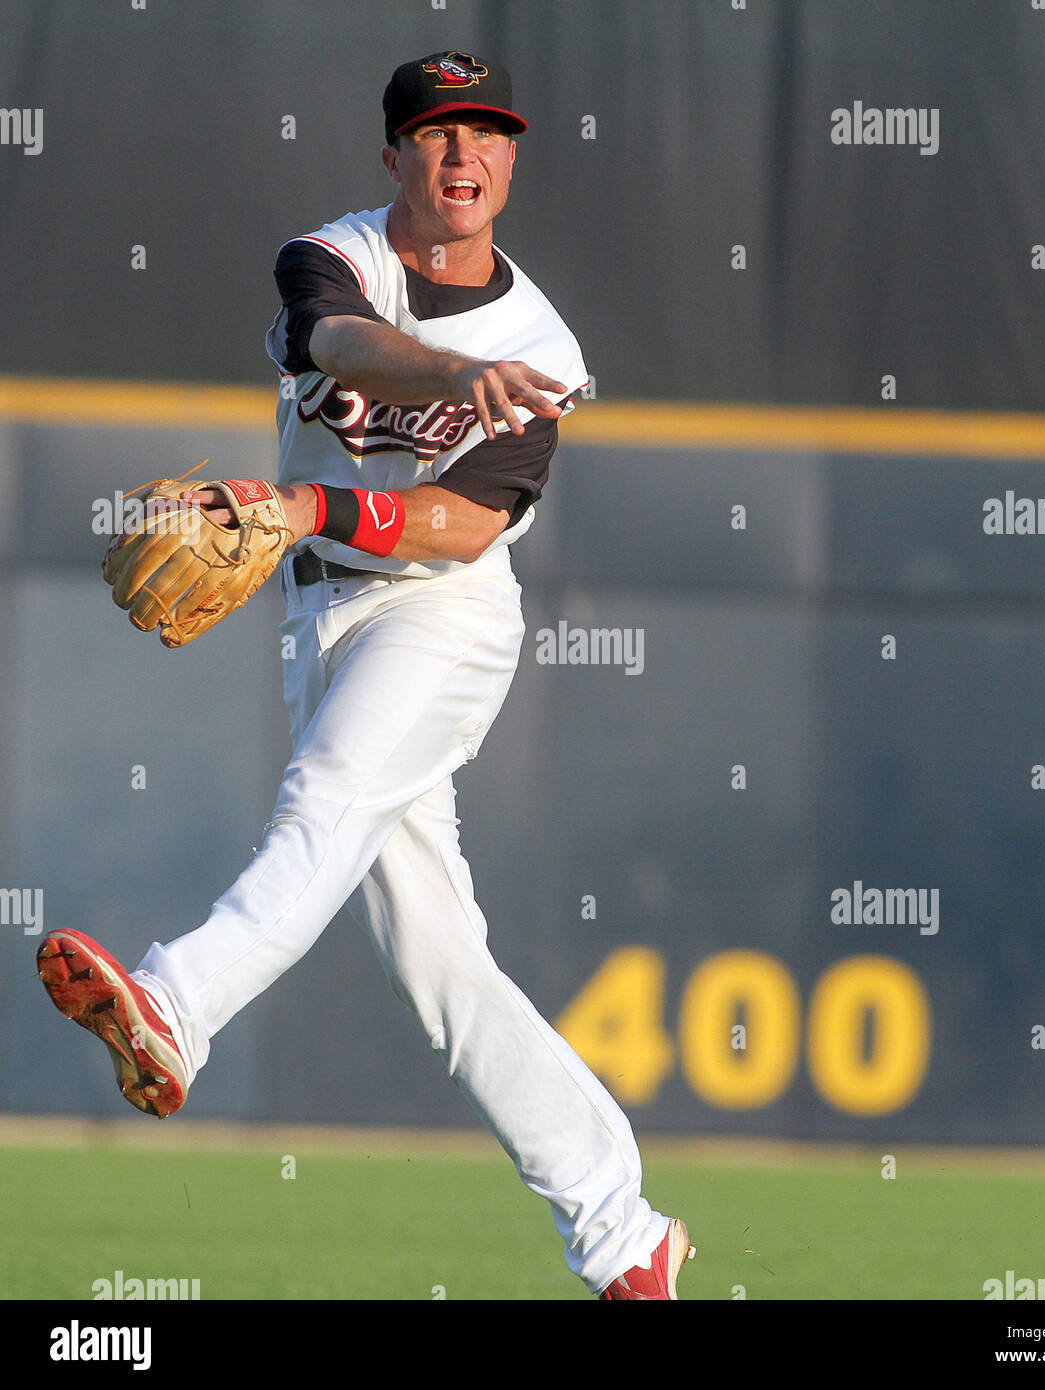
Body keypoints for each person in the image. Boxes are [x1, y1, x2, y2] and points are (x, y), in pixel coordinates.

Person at [37, 49, 693, 1301]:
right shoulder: (330, 256)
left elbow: (464, 526)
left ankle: (177, 1003)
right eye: (437, 135)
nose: (464, 158)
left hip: (442, 616)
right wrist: (447, 381)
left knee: (324, 805)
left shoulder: (542, 344)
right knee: (443, 970)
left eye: (486, 135)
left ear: (512, 157)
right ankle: (625, 1233)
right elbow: (337, 339)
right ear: (392, 153)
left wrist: (301, 498)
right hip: (319, 615)